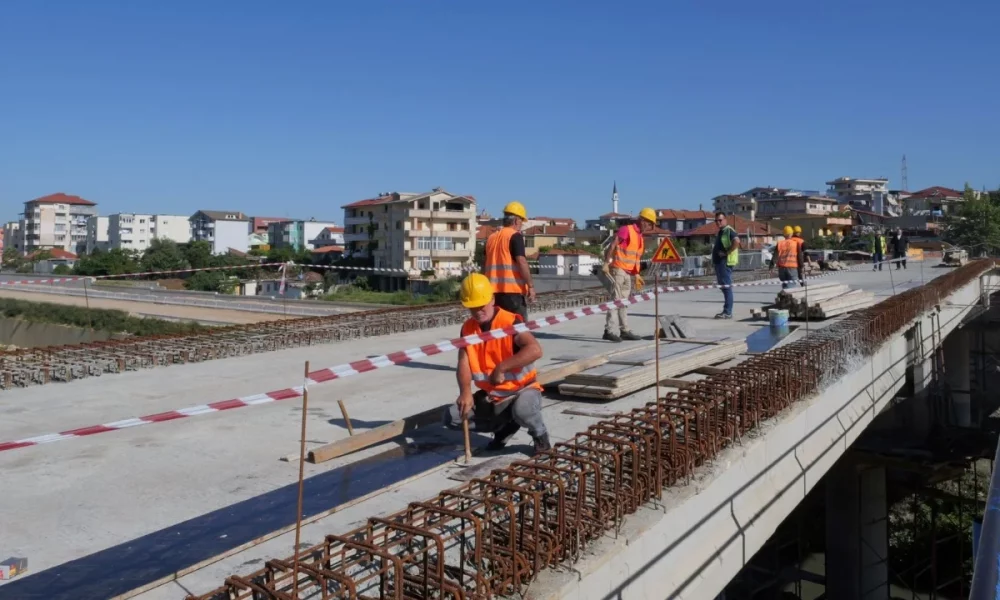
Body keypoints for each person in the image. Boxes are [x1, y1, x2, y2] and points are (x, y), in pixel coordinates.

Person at [443, 273, 551, 453]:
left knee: (523, 410)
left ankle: (540, 435)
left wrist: (502, 367)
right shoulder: (468, 328)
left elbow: (535, 350)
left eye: (482, 305)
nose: (478, 311)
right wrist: (466, 393)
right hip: (492, 396)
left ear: (492, 299)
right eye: (473, 307)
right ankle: (503, 428)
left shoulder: (510, 321)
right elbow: (464, 361)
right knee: (452, 417)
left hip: (522, 390)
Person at [600, 207, 657, 342]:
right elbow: (613, 245)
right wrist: (607, 263)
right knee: (616, 300)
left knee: (624, 302)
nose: (650, 227)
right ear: (642, 220)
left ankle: (624, 330)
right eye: (649, 223)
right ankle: (608, 330)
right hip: (618, 270)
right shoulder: (627, 230)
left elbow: (635, 258)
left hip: (627, 273)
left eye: (651, 225)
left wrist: (636, 274)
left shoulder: (639, 237)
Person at [483, 201, 536, 319]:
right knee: (518, 331)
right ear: (517, 220)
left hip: (493, 294)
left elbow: (484, 264)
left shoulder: (491, 238)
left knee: (498, 328)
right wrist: (531, 286)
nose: (521, 224)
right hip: (512, 293)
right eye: (522, 221)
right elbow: (521, 261)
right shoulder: (515, 236)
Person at [712, 212, 740, 319]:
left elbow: (736, 241)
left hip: (725, 262)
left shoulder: (729, 230)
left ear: (725, 220)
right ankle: (727, 310)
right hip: (720, 263)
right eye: (716, 221)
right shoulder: (722, 232)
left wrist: (727, 252)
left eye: (720, 220)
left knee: (726, 287)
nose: (718, 222)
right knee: (724, 286)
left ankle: (727, 312)